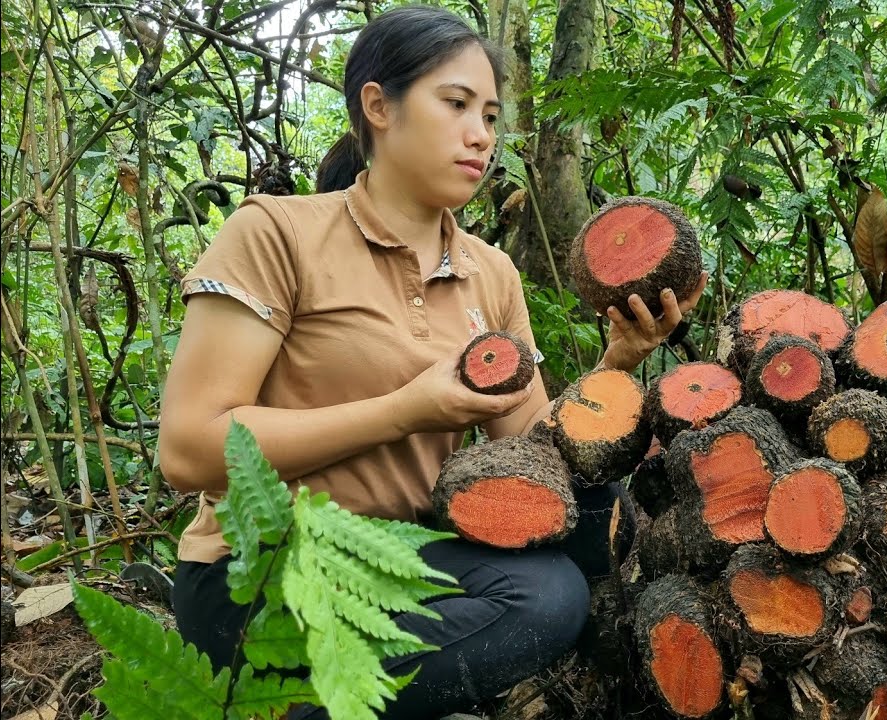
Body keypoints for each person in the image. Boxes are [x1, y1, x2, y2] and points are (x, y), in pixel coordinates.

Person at [157, 6, 707, 718]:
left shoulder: (492, 272)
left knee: (602, 517)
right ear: (378, 106)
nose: (480, 135)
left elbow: (533, 457)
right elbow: (190, 450)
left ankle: (329, 696)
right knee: (549, 599)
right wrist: (404, 413)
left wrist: (618, 359)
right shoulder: (277, 233)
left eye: (490, 115)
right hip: (259, 575)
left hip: (403, 560)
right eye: (455, 105)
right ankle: (294, 697)